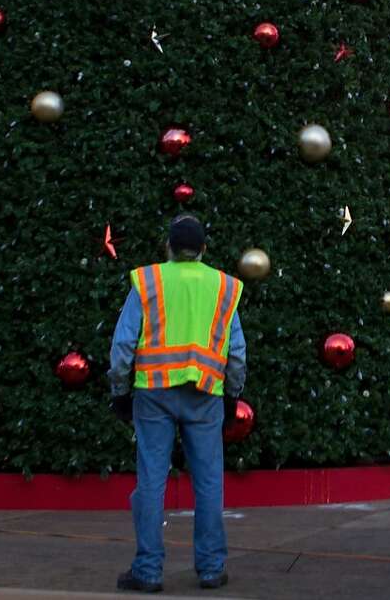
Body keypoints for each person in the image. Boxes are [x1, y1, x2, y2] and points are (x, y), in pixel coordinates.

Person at [109, 214, 246, 593]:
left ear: (168, 247)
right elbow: (236, 352)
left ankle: (148, 571)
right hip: (206, 395)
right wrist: (233, 395)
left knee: (152, 481)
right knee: (208, 482)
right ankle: (211, 568)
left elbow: (122, 346)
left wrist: (120, 391)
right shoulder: (222, 286)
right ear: (203, 249)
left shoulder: (149, 281)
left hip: (153, 393)